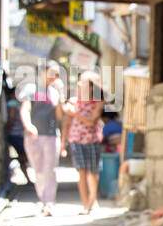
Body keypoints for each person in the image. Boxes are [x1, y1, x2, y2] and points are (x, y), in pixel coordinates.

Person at [62, 71, 105, 214]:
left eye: (83, 82)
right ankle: (86, 204)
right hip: (76, 139)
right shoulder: (74, 101)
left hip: (91, 139)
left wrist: (75, 114)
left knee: (92, 173)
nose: (80, 84)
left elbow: (92, 121)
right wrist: (63, 143)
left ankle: (92, 201)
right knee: (82, 172)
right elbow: (67, 124)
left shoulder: (97, 102)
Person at [17, 77, 61, 215]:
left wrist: (61, 97)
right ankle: (43, 199)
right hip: (34, 136)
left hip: (51, 134)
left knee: (50, 168)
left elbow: (59, 116)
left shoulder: (55, 93)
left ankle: (49, 202)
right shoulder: (31, 89)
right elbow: (25, 109)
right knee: (39, 169)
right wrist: (28, 126)